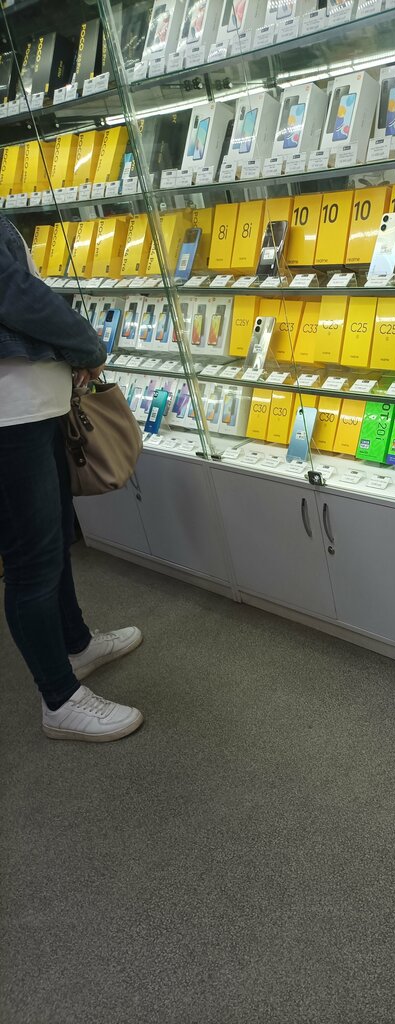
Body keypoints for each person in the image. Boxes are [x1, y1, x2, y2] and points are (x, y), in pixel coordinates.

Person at [0, 215, 144, 742]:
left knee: (54, 538)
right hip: (9, 415)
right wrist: (85, 344)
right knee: (30, 562)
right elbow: (15, 293)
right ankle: (59, 699)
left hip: (32, 404)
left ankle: (75, 644)